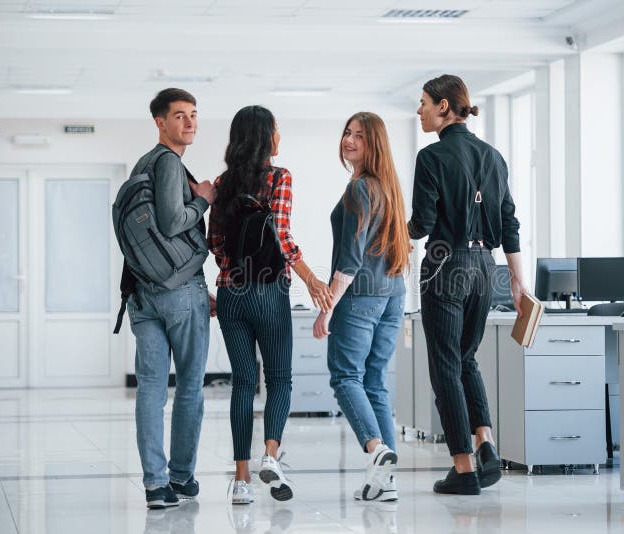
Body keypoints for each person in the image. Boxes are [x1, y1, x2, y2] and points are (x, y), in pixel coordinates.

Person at [408, 74, 528, 495]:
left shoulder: (432, 157)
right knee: (466, 360)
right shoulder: (494, 156)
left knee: (445, 365)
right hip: (485, 268)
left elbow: (421, 226)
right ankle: (486, 443)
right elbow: (509, 222)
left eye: (423, 102)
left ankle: (462, 467)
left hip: (446, 263)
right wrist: (517, 280)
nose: (419, 110)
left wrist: (389, 231)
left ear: (444, 106)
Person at [208, 105, 333, 504]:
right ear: (266, 137)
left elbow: (213, 244)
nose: (281, 136)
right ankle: (271, 455)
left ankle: (242, 480)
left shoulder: (224, 183)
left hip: (230, 293)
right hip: (268, 291)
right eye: (277, 130)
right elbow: (281, 234)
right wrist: (312, 278)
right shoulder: (279, 177)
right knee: (278, 379)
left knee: (243, 383)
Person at [313, 112, 410, 502]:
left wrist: (328, 307)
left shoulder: (359, 190)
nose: (350, 141)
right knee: (374, 382)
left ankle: (375, 448)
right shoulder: (387, 188)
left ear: (375, 145)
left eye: (360, 136)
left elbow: (350, 260)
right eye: (347, 133)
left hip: (361, 296)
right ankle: (385, 482)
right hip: (393, 292)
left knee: (345, 377)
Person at [128, 88, 217, 509]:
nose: (190, 122)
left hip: (141, 293)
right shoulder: (167, 163)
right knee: (189, 388)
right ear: (160, 123)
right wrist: (203, 198)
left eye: (194, 114)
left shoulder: (142, 165)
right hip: (180, 292)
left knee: (150, 388)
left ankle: (154, 485)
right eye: (179, 116)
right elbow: (172, 221)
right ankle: (179, 478)